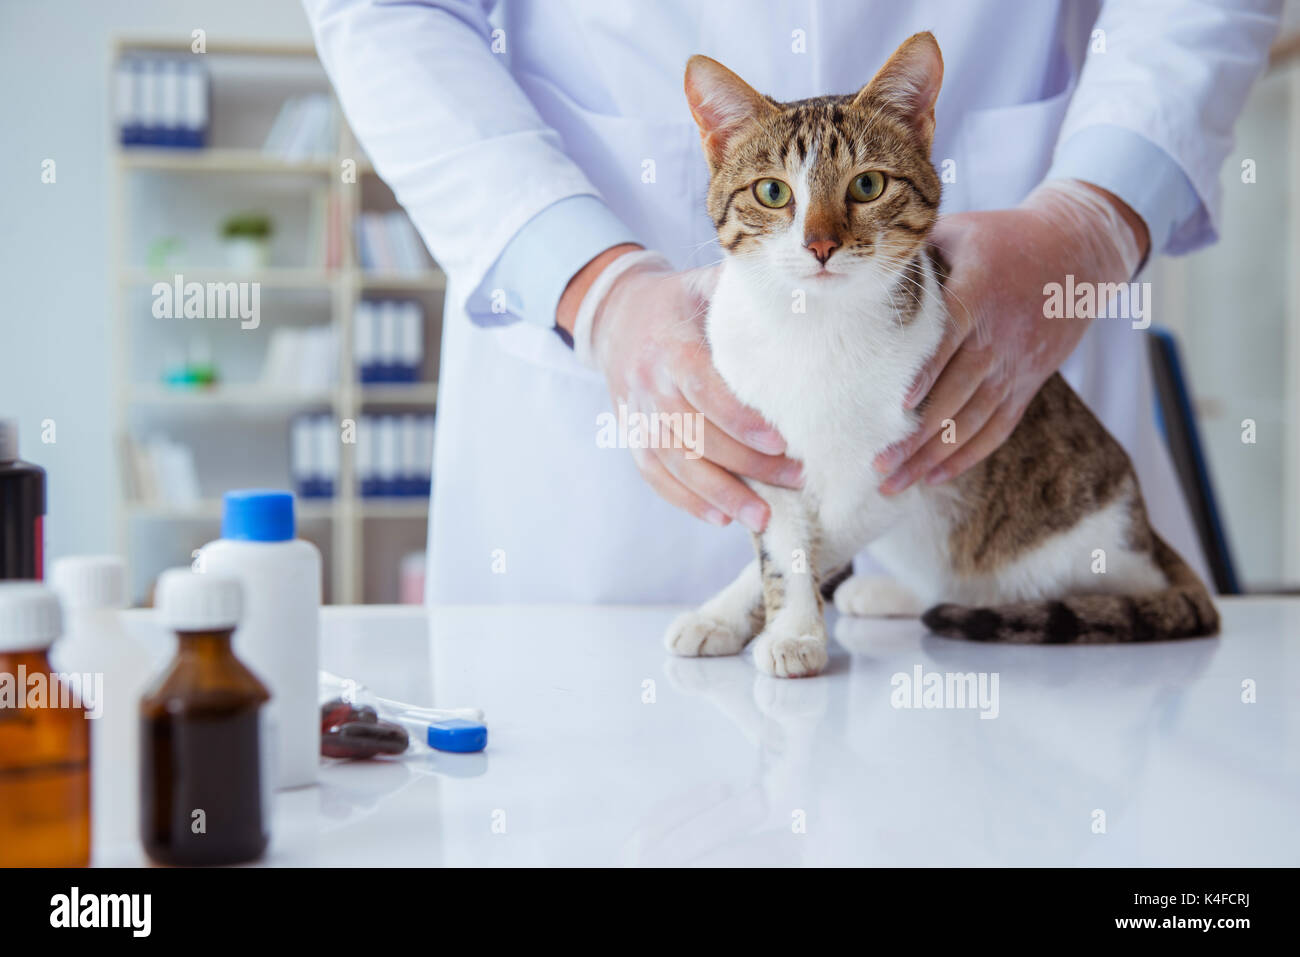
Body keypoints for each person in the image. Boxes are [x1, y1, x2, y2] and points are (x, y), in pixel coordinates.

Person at [303, 0, 1282, 603]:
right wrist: (595, 290)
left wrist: (1091, 221)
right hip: (599, 474)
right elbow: (390, 8)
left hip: (1000, 354)